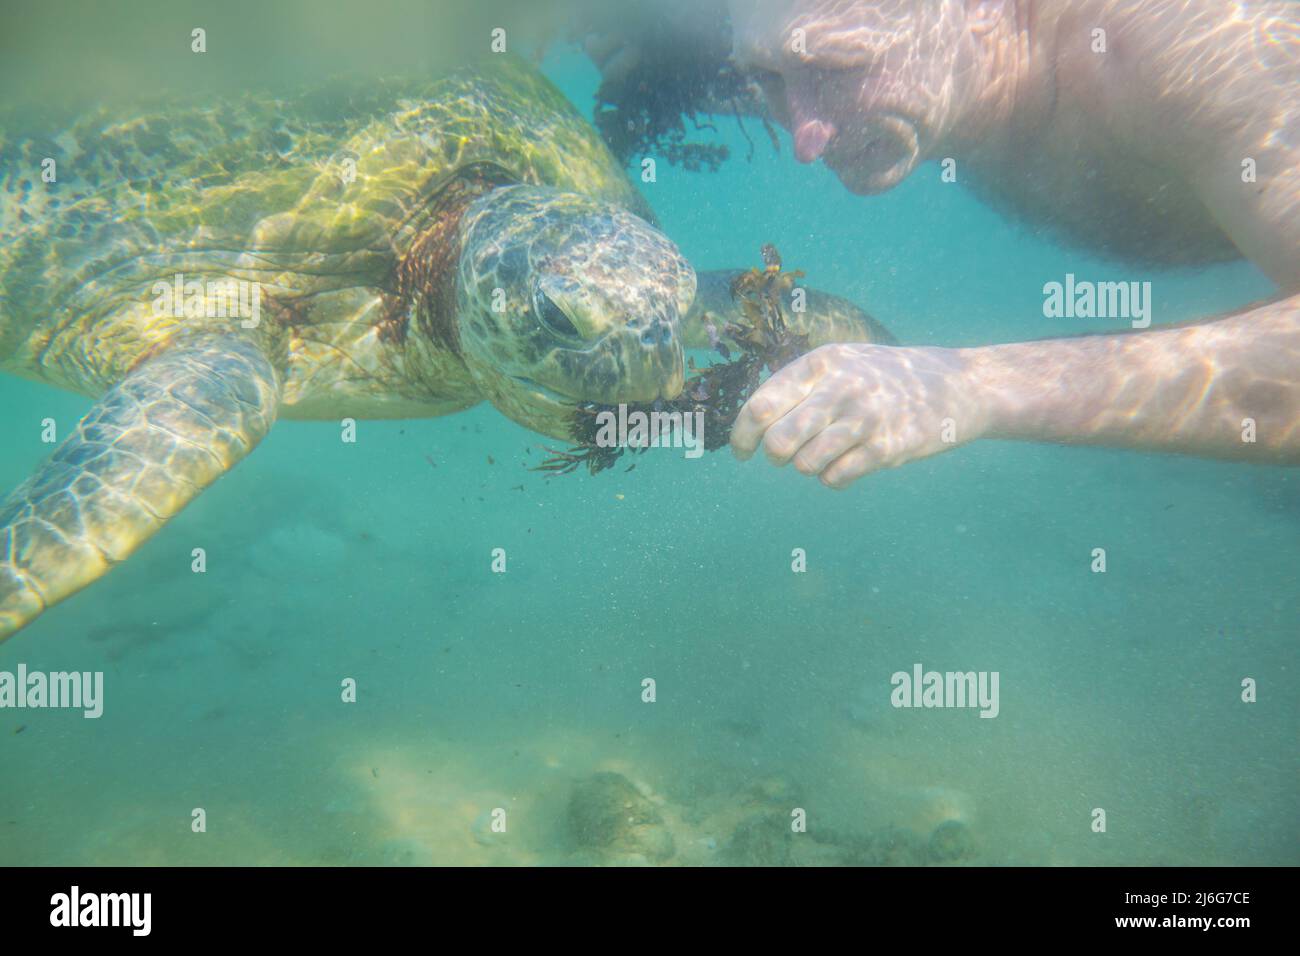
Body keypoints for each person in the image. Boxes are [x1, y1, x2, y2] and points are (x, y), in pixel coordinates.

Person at [714, 0, 1298, 487]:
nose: (806, 140)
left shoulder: (1184, 48)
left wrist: (977, 385)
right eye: (766, 79)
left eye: (838, 67)